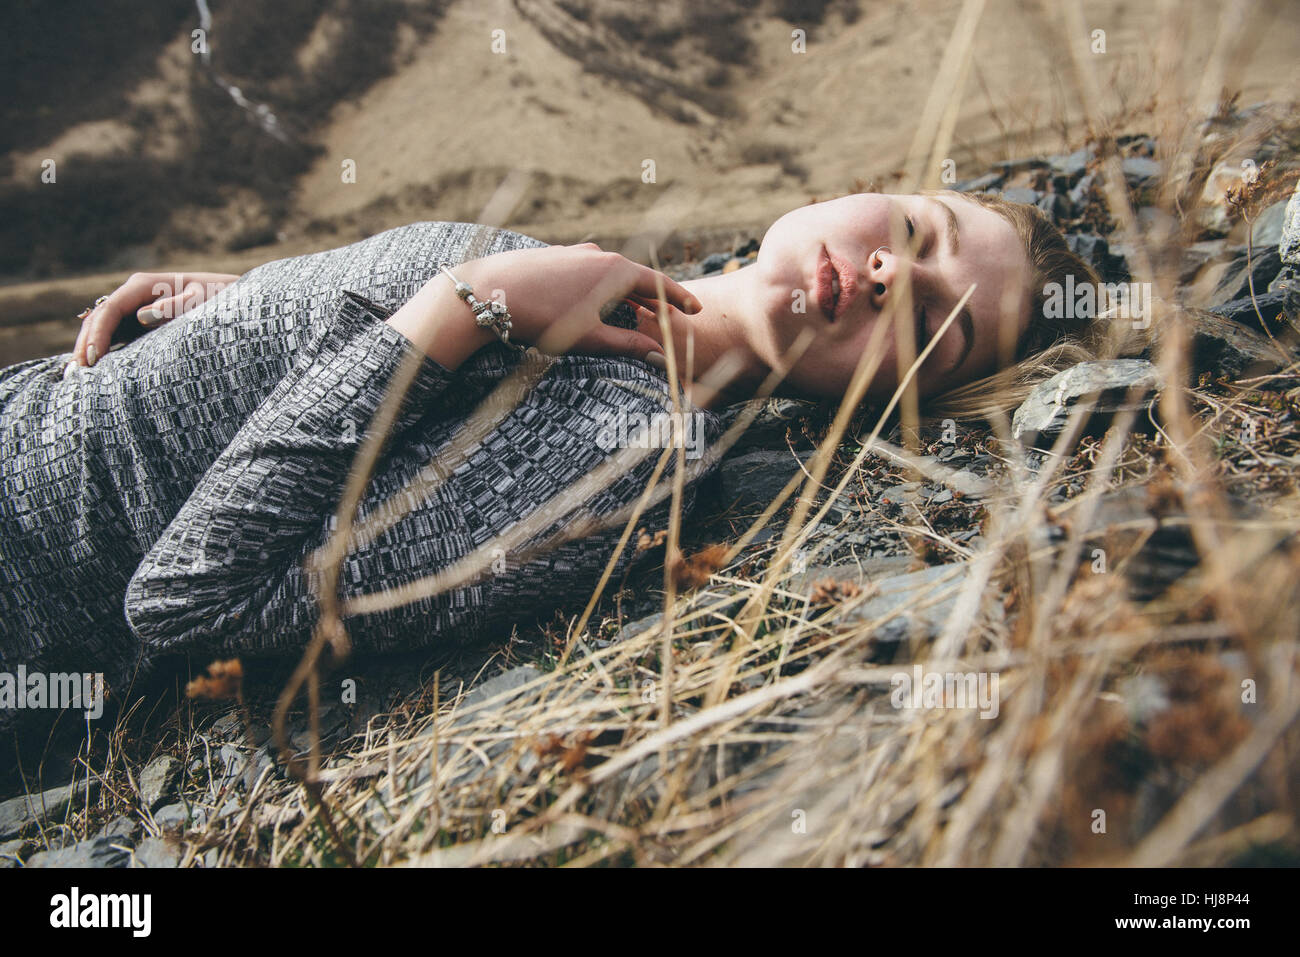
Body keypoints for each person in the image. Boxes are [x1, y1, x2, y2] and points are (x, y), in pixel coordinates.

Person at [0, 191, 1101, 729]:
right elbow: (357, 384)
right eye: (913, 232)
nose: (880, 276)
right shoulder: (599, 277)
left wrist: (456, 311)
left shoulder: (625, 449)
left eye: (933, 324)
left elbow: (189, 603)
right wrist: (234, 315)